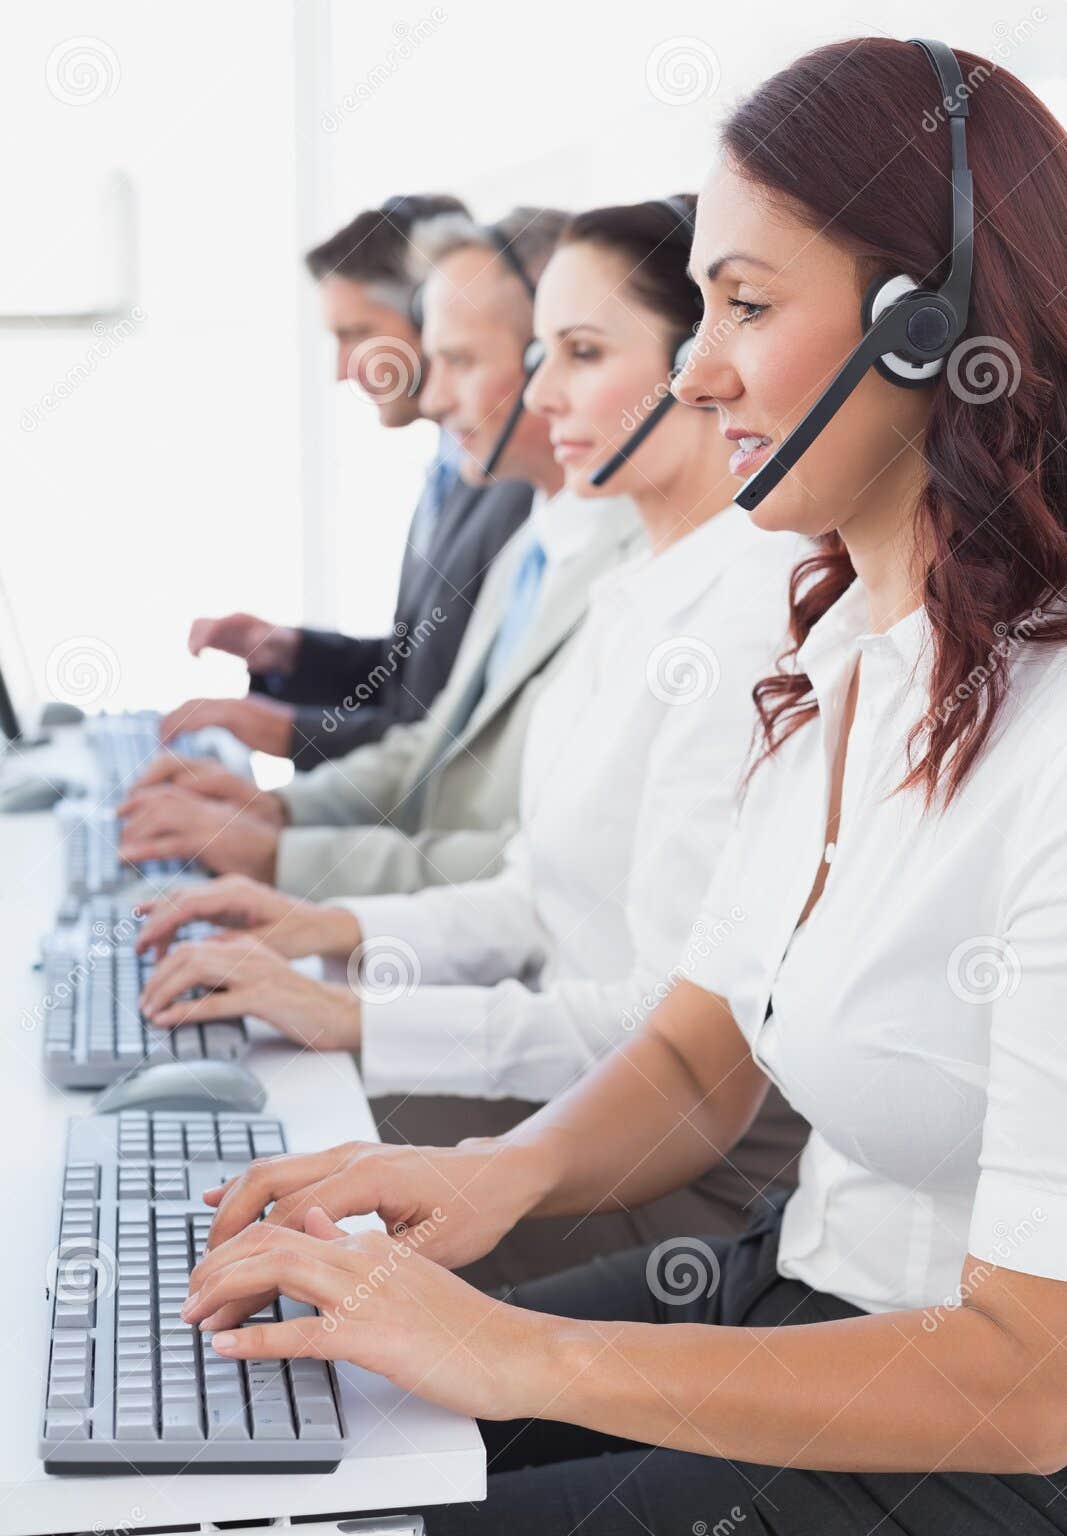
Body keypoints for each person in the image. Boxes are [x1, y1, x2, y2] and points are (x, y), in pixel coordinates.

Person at [177, 39, 1067, 1536]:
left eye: (742, 304)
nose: (692, 369)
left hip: (984, 1466)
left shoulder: (1045, 739)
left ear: (920, 331)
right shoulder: (844, 651)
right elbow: (691, 1052)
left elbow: (1024, 1371)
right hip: (790, 1288)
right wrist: (488, 1180)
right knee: (291, 1467)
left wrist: (518, 1351)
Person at [134, 198, 806, 1279]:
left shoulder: (744, 626)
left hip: (665, 1170)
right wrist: (321, 925)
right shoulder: (633, 591)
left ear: (699, 367)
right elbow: (525, 892)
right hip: (569, 1082)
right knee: (213, 1175)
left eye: (580, 354)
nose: (539, 395)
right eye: (542, 354)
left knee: (238, 1225)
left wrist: (352, 1008)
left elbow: (656, 1031)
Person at [118, 208, 644, 900]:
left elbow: (521, 838)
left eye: (359, 335)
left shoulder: (580, 539)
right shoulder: (526, 528)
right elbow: (430, 728)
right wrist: (279, 804)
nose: (424, 383)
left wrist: (285, 842)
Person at [163, 194, 533, 768]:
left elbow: (447, 738)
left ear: (427, 313)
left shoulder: (517, 482)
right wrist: (293, 654)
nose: (341, 370)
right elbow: (421, 669)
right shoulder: (452, 467)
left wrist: (285, 732)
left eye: (356, 332)